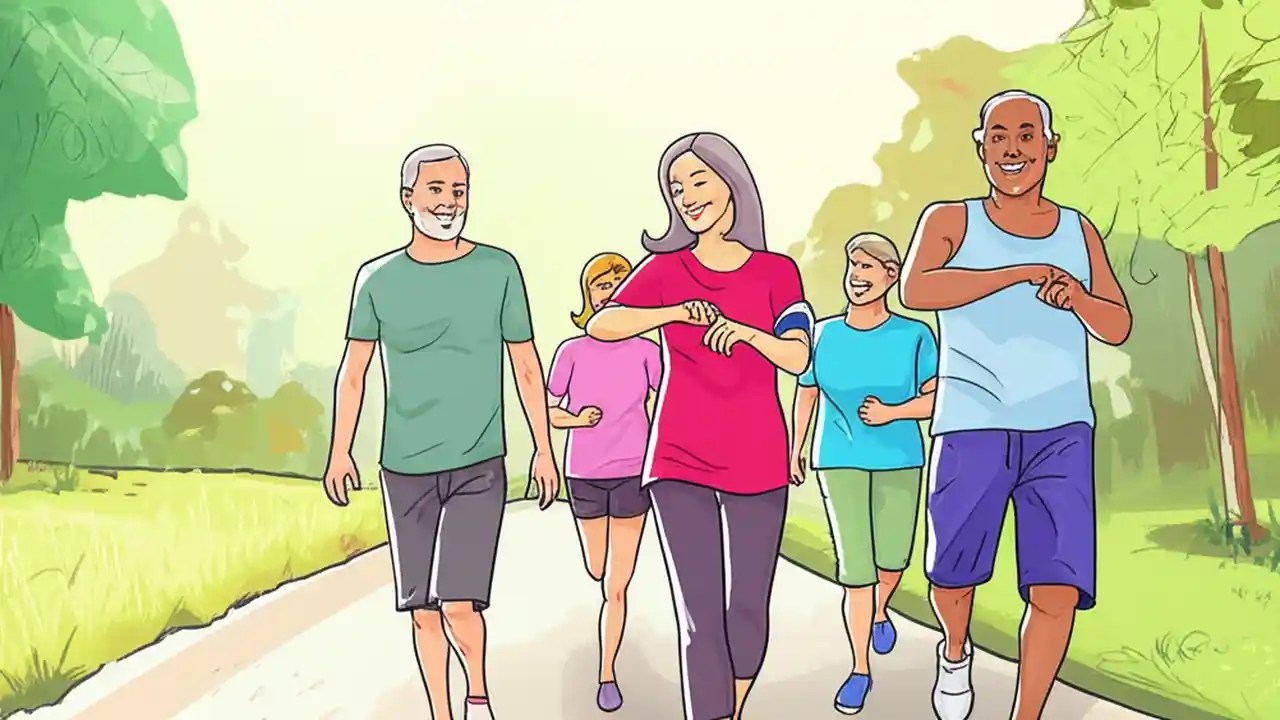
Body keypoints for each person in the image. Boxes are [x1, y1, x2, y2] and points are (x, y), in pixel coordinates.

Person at [899, 90, 1132, 720]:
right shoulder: (951, 219)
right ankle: (954, 653)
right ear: (981, 148)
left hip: (1060, 426)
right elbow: (916, 288)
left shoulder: (1077, 229)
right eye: (998, 136)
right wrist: (1020, 272)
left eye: (1027, 136)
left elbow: (1115, 324)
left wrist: (1077, 297)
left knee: (1058, 585)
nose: (1013, 149)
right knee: (951, 577)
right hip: (972, 420)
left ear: (1050, 148)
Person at [322, 144, 561, 720]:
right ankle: (441, 711)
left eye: (459, 190)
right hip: (403, 467)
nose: (450, 202)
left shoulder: (498, 269)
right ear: (409, 199)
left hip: (478, 463)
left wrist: (545, 453)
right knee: (423, 609)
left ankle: (477, 695)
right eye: (437, 190)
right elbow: (354, 372)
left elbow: (526, 366)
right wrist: (339, 452)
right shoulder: (376, 279)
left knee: (458, 603)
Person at [587, 132, 814, 720]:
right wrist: (674, 311)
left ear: (731, 181)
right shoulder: (664, 270)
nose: (687, 196)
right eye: (676, 187)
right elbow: (603, 325)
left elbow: (799, 355)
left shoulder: (776, 272)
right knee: (700, 618)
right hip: (678, 460)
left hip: (758, 458)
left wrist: (745, 333)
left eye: (698, 181)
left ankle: (730, 705)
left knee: (746, 614)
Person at [789, 232, 938, 715]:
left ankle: (879, 609)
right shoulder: (824, 334)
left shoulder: (915, 335)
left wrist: (895, 412)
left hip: (899, 459)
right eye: (853, 266)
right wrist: (796, 446)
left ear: (891, 277)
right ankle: (859, 668)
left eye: (869, 268)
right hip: (839, 461)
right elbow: (807, 391)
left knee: (892, 562)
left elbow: (937, 397)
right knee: (856, 569)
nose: (857, 276)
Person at [546, 251, 661, 713]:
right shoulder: (571, 353)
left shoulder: (648, 351)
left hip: (633, 473)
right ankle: (604, 593)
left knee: (616, 584)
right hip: (586, 475)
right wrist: (575, 419)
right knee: (597, 568)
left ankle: (606, 672)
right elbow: (547, 411)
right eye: (601, 286)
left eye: (619, 284)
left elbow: (666, 402)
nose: (610, 292)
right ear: (588, 296)